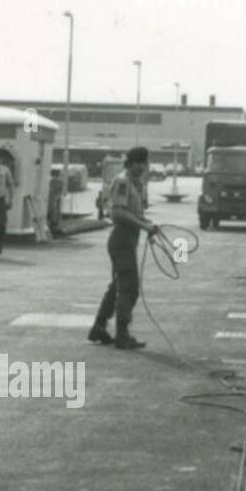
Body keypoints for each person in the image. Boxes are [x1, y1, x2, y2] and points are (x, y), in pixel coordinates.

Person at [88, 147, 163, 350]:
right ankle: (122, 335)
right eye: (142, 163)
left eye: (145, 164)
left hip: (129, 239)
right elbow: (118, 213)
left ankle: (99, 327)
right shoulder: (123, 182)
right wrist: (143, 225)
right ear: (133, 163)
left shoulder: (136, 183)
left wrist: (148, 224)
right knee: (129, 287)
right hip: (121, 239)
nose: (145, 167)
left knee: (117, 286)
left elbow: (134, 213)